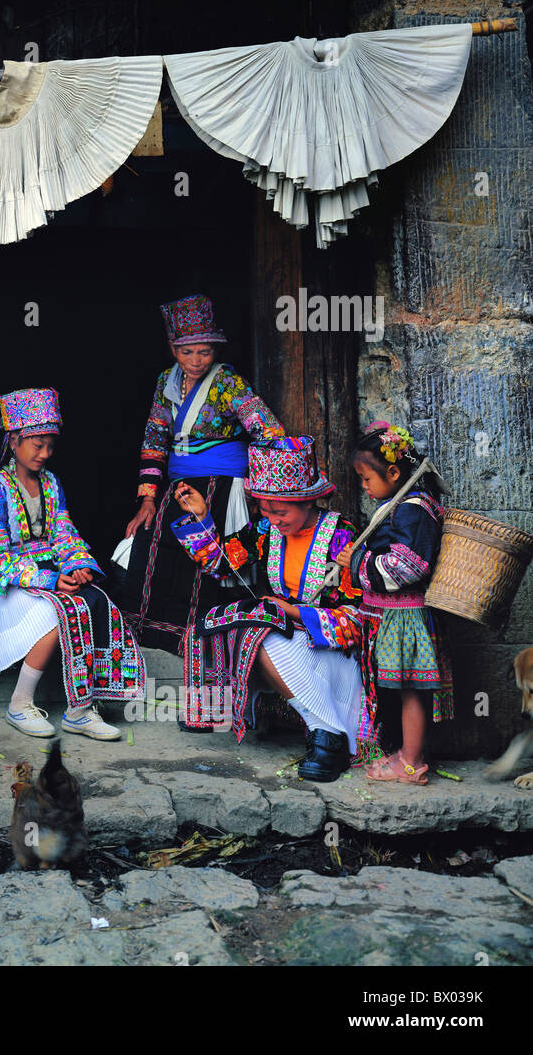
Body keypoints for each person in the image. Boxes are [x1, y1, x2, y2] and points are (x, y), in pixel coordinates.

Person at [171, 435, 373, 781]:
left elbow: (357, 620)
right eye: (265, 510)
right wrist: (202, 517)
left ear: (309, 502)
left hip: (331, 648)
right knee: (226, 630)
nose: (273, 519)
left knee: (263, 638)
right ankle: (218, 708)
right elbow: (222, 564)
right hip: (289, 637)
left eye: (280, 511)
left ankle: (329, 734)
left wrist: (294, 614)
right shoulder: (266, 531)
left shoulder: (341, 536)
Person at [123, 295, 285, 655]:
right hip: (178, 484)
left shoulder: (228, 382)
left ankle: (208, 647)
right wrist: (148, 497)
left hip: (223, 486)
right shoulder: (166, 381)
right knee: (157, 553)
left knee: (210, 563)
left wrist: (259, 491)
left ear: (215, 349)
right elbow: (154, 438)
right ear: (172, 349)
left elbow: (270, 433)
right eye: (186, 352)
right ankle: (158, 640)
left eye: (204, 352)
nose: (195, 361)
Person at [0, 388, 146, 740]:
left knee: (96, 600)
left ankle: (81, 710)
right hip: (16, 588)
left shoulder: (52, 483)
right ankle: (20, 704)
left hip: (53, 581)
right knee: (60, 614)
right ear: (13, 441)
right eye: (37, 444)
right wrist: (50, 579)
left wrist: (79, 566)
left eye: (50, 446)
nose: (45, 453)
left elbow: (65, 535)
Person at [335, 422, 452, 785]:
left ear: (394, 472)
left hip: (405, 617)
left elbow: (407, 565)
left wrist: (356, 563)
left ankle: (411, 764)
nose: (365, 488)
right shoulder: (398, 506)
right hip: (392, 615)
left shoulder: (412, 509)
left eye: (367, 479)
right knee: (405, 690)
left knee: (411, 691)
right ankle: (407, 753)